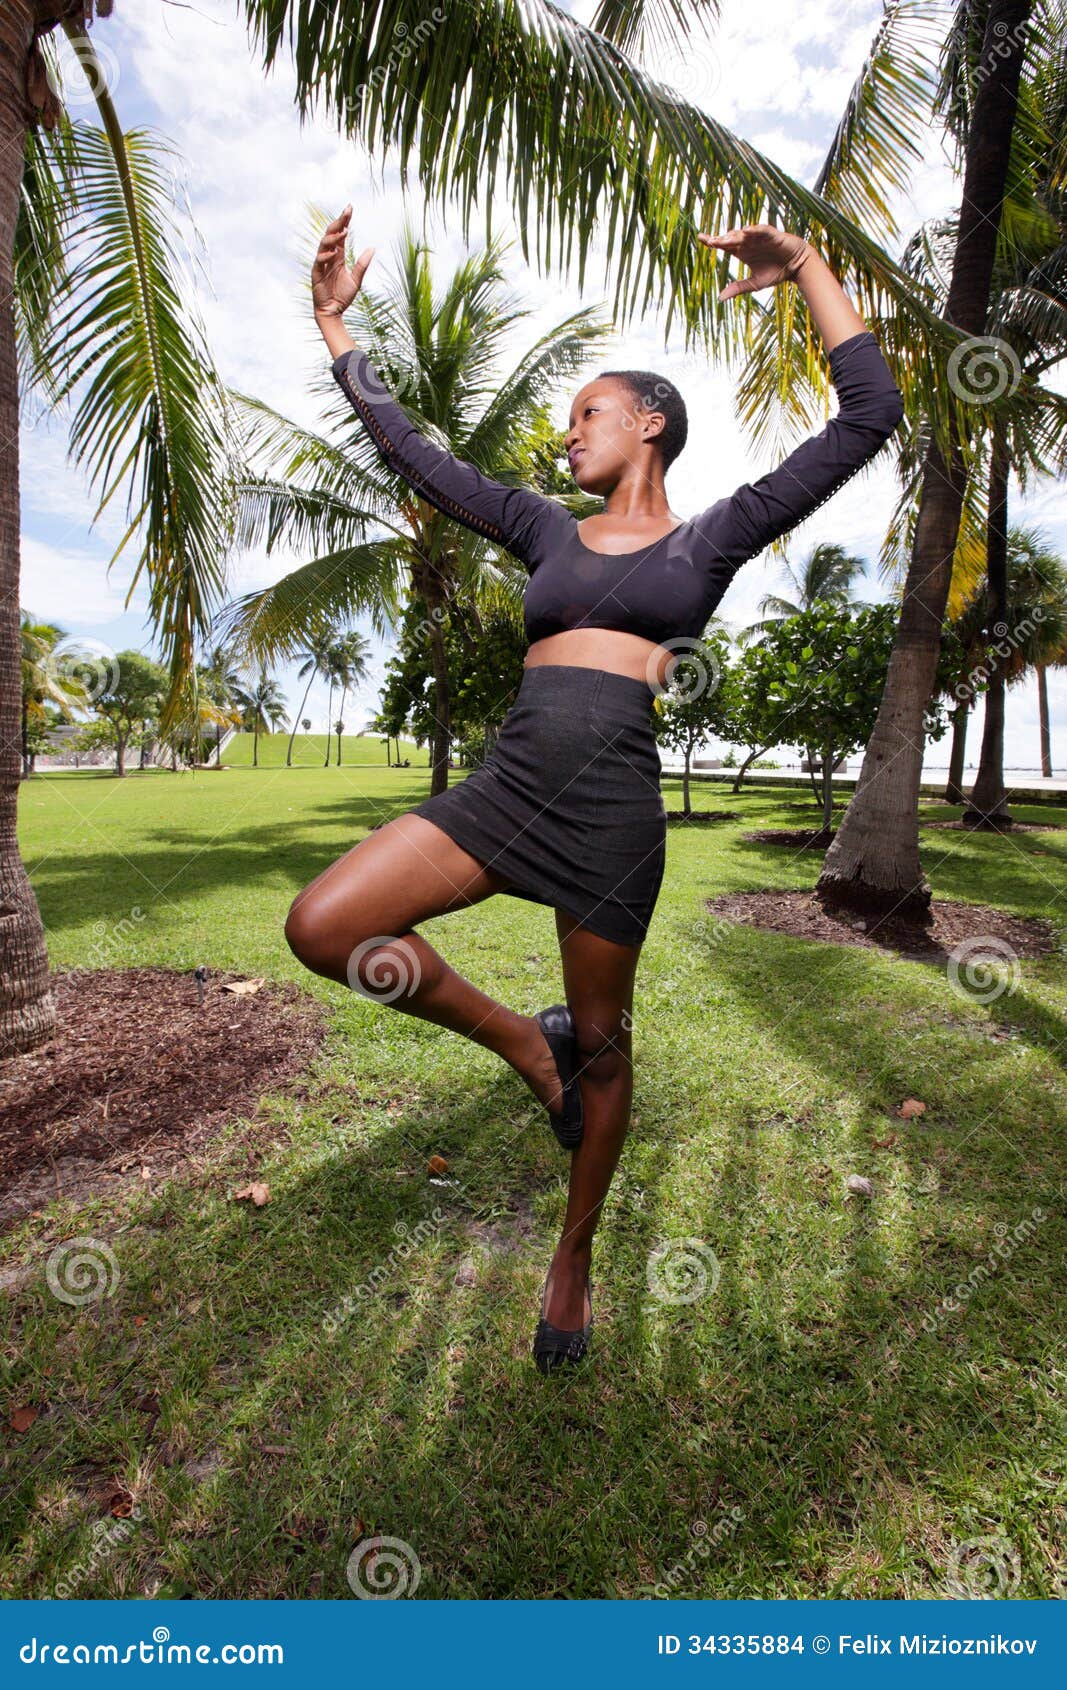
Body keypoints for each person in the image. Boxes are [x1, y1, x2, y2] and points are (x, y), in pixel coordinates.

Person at [288, 206, 905, 1374]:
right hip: (506, 785)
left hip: (612, 818)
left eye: (588, 413)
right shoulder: (539, 527)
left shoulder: (712, 537)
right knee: (327, 925)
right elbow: (412, 452)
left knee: (610, 1050)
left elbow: (867, 417)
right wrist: (332, 325)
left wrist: (809, 266)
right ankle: (527, 1046)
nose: (566, 434)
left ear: (650, 423)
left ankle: (571, 1256)